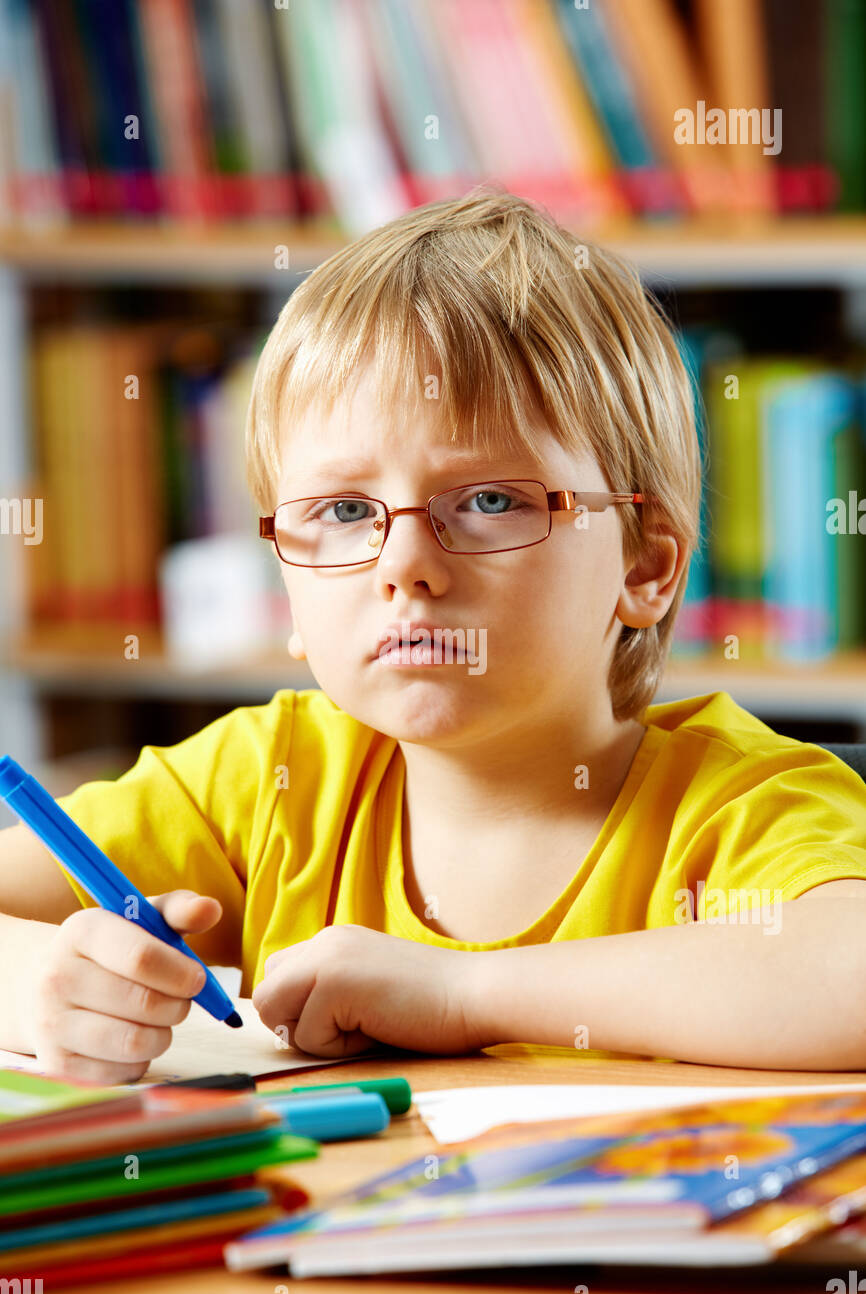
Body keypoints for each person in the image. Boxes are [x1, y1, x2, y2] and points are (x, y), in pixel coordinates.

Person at [2, 187, 865, 1083]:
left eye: (490, 501)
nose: (404, 563)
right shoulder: (265, 785)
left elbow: (848, 981)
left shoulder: (736, 808)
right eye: (342, 509)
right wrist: (34, 983)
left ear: (642, 567)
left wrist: (463, 994)